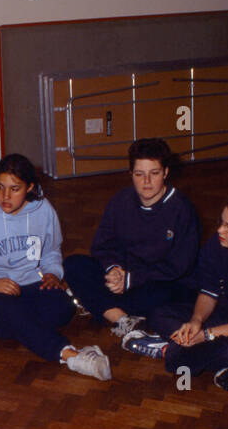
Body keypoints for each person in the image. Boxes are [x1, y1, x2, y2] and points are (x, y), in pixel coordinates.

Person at [0, 154, 111, 381]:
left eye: (14, 189)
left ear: (29, 187)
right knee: (13, 311)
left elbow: (50, 251)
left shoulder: (43, 210)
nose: (5, 197)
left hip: (27, 283)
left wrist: (52, 272)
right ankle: (71, 355)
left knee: (63, 309)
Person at [123, 193, 228, 383]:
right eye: (221, 222)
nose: (220, 230)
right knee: (159, 314)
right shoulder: (218, 243)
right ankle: (184, 347)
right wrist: (196, 321)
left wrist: (207, 334)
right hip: (226, 313)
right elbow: (209, 292)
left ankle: (171, 350)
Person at [62, 138, 200, 341]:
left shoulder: (182, 209)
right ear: (130, 174)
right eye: (139, 174)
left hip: (158, 281)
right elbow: (102, 246)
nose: (147, 182)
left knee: (165, 297)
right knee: (73, 265)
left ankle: (99, 306)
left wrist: (132, 279)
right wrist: (113, 269)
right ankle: (120, 317)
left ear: (166, 172)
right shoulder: (121, 201)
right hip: (123, 277)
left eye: (154, 174)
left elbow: (180, 266)